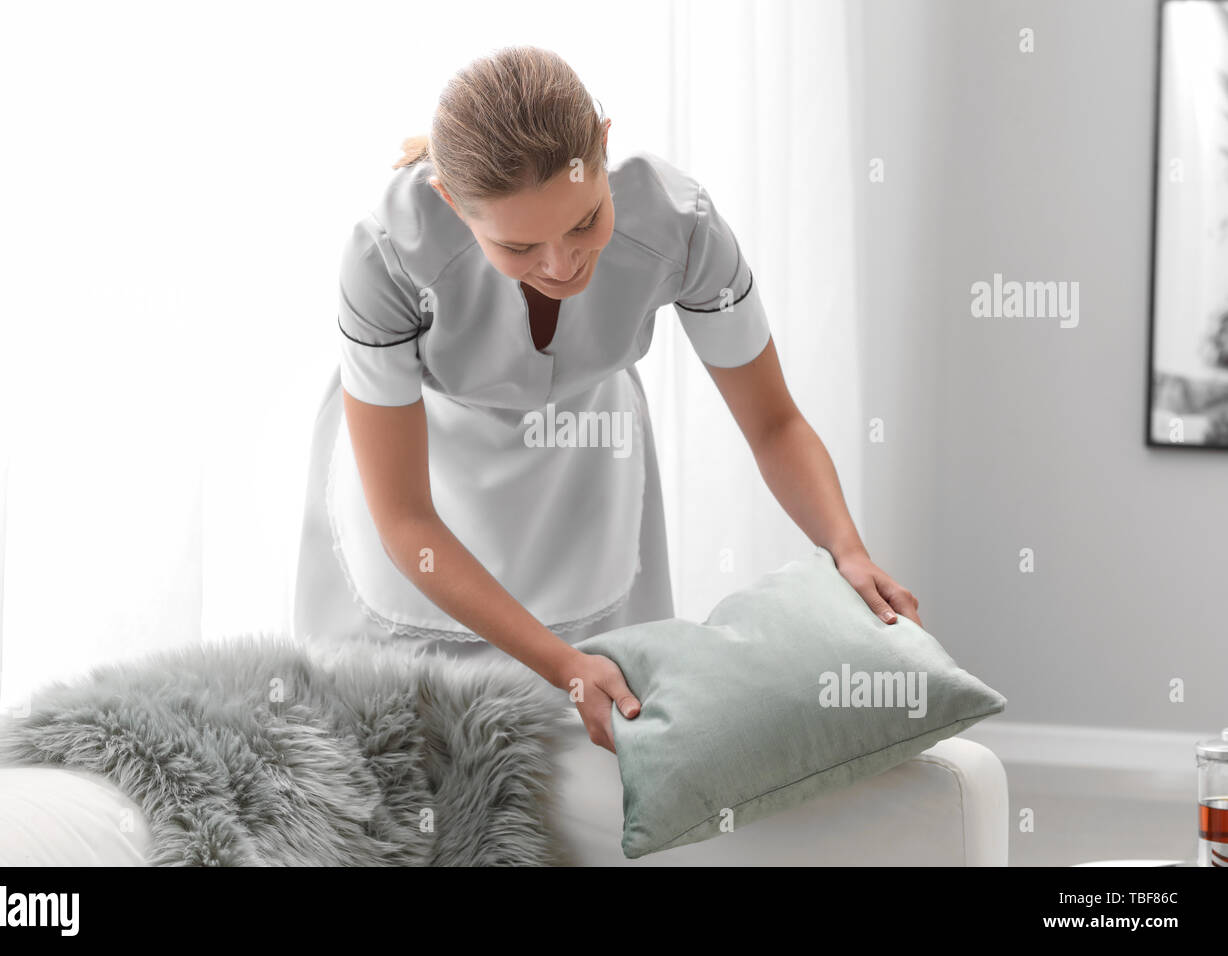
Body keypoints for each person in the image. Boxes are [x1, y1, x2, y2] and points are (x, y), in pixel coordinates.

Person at [294, 45, 921, 758]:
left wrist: (846, 549)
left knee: (594, 757)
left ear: (603, 143)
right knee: (402, 757)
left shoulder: (679, 222)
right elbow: (406, 519)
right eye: (520, 246)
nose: (562, 265)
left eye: (585, 220)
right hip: (424, 483)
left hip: (587, 463)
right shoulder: (384, 254)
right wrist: (562, 665)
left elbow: (775, 424)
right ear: (450, 204)